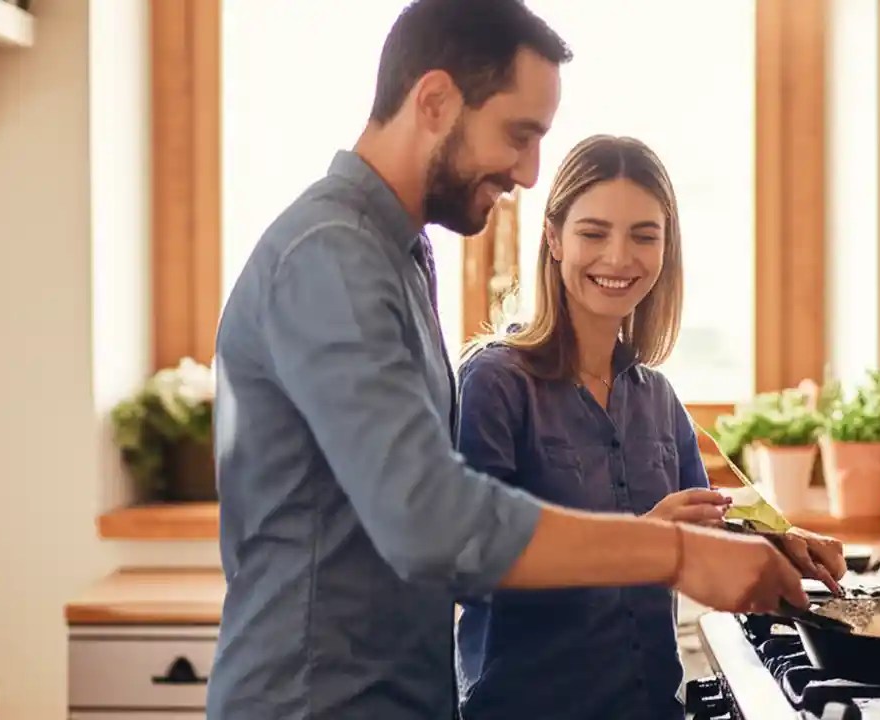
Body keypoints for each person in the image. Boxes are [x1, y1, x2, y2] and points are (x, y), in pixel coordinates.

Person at [206, 2, 832, 719]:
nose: (532, 173)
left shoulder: (397, 259)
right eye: (518, 134)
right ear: (435, 100)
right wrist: (676, 553)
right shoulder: (329, 258)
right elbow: (434, 522)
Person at [452, 135, 846, 719]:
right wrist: (646, 543)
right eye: (593, 233)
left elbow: (709, 526)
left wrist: (780, 543)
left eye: (644, 235)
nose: (619, 258)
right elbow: (472, 567)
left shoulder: (657, 398)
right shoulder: (495, 383)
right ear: (554, 238)